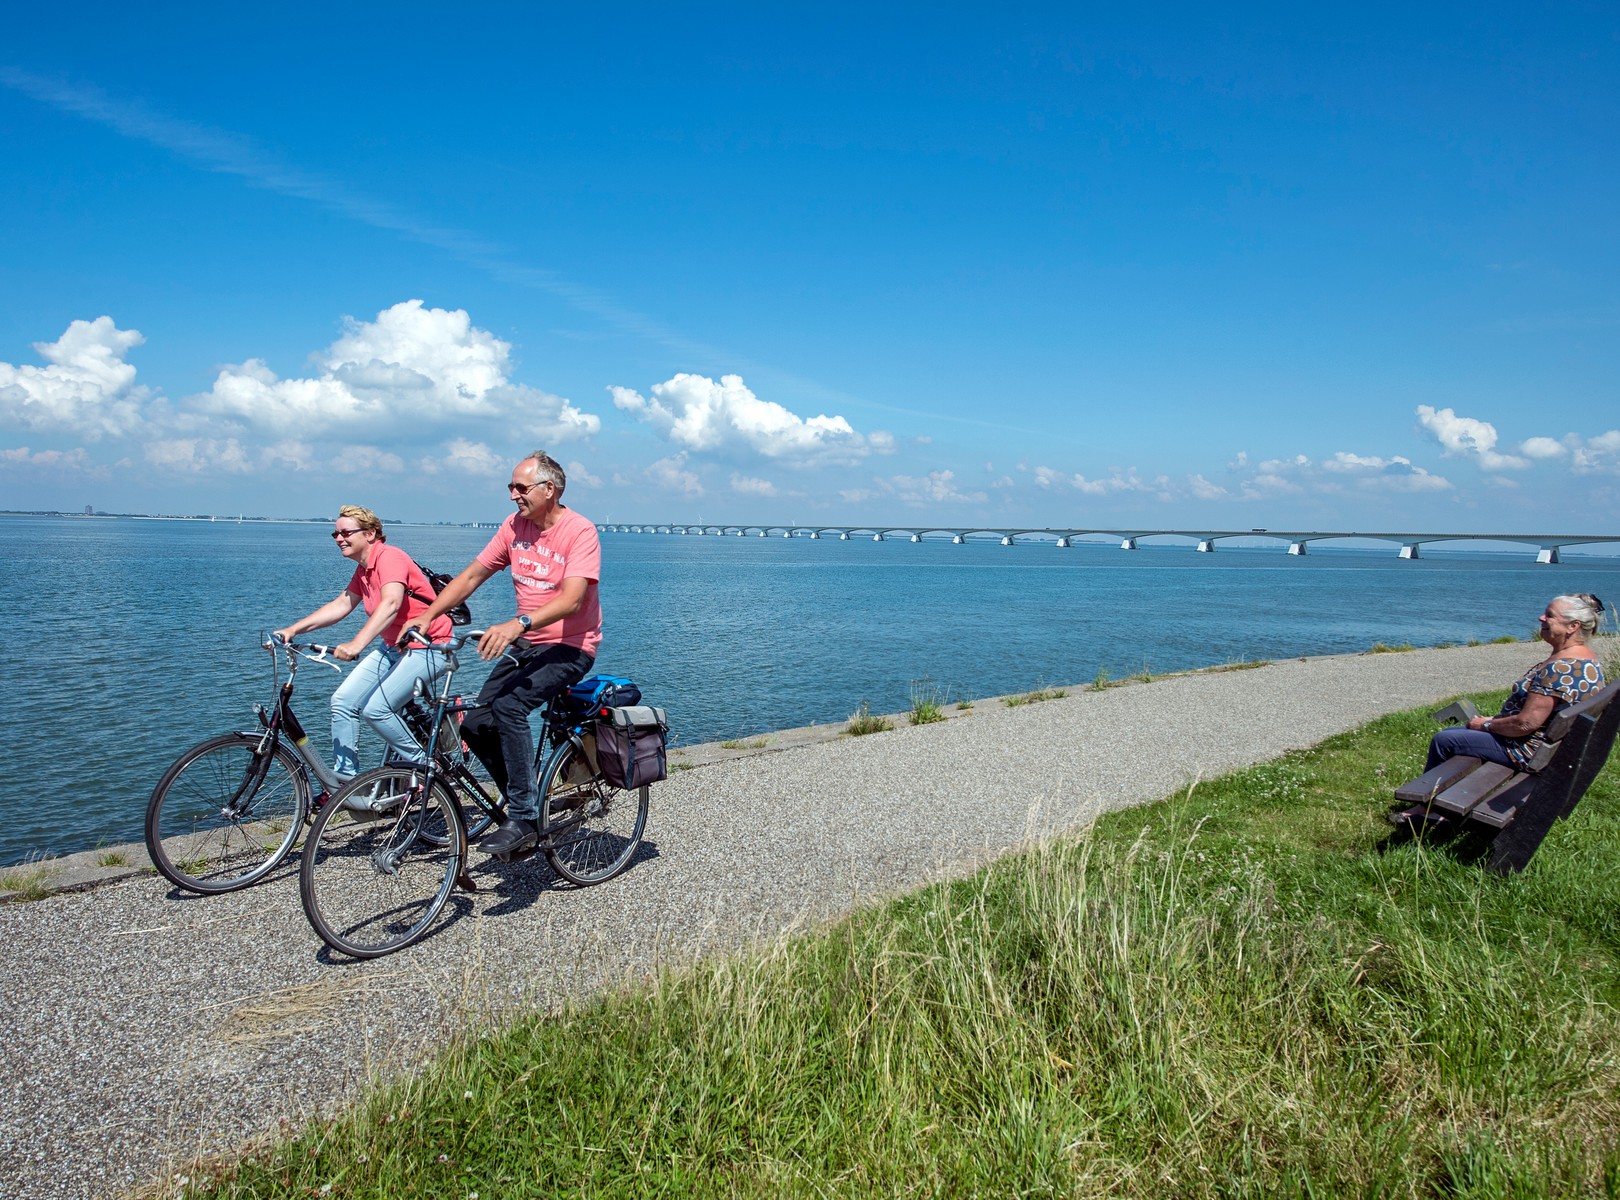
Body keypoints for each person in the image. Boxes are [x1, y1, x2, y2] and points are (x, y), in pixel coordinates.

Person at [401, 451, 601, 857]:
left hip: (570, 646)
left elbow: (574, 599)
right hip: (527, 645)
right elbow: (473, 575)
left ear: (550, 489)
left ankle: (524, 817)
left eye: (520, 487)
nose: (512, 495)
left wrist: (518, 623)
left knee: (509, 706)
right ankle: (523, 798)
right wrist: (428, 616)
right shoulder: (514, 527)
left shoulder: (579, 531)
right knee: (475, 723)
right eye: (510, 487)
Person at [273, 506, 455, 798]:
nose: (339, 538)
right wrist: (293, 630)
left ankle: (427, 768)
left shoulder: (390, 557)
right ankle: (347, 783)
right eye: (336, 533)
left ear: (370, 534)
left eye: (346, 532)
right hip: (395, 648)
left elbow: (392, 603)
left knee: (376, 709)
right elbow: (342, 604)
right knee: (343, 702)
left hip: (431, 646)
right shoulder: (364, 569)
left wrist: (357, 643)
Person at [1423, 593, 1607, 776]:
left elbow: (1525, 724)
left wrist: (1487, 725)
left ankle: (1425, 801)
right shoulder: (1587, 661)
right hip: (1552, 748)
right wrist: (1493, 721)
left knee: (1445, 739)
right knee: (1458, 732)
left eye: (1550, 615)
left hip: (1528, 751)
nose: (1541, 618)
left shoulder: (1560, 669)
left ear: (1573, 626)